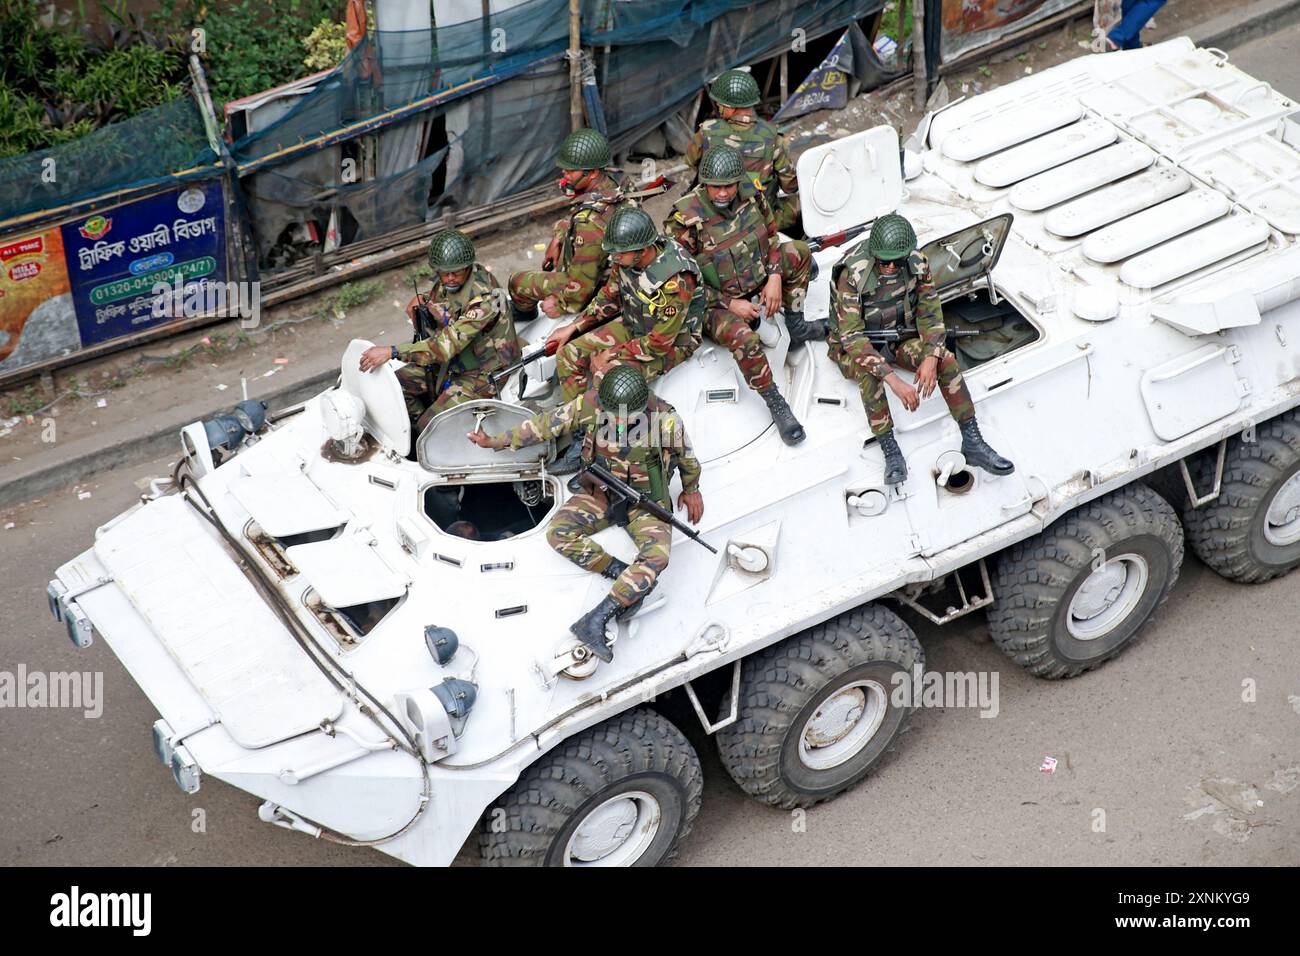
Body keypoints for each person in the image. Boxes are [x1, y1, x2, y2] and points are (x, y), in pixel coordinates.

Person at [467, 364, 703, 663]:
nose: (615, 419)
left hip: (645, 502)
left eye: (623, 415)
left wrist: (691, 489)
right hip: (602, 491)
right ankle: (620, 573)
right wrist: (495, 441)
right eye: (611, 412)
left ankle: (597, 618)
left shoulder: (666, 421)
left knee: (657, 557)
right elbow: (545, 425)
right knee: (558, 533)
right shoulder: (591, 404)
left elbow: (687, 458)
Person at [829, 212, 1014, 485]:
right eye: (884, 262)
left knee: (946, 359)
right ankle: (890, 450)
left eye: (896, 262)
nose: (891, 268)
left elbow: (930, 312)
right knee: (870, 375)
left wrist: (930, 355)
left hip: (899, 336)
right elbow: (852, 337)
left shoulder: (917, 262)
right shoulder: (853, 273)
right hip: (856, 347)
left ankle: (973, 441)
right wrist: (892, 379)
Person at [666, 145, 814, 445]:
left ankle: (796, 326)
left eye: (729, 186)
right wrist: (731, 304)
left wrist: (774, 275)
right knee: (744, 338)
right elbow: (681, 283)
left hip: (758, 279)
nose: (723, 193)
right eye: (716, 187)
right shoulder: (684, 220)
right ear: (703, 183)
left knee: (799, 253)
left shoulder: (752, 194)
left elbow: (772, 236)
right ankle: (775, 401)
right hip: (713, 303)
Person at [544, 206, 705, 471]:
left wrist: (611, 357)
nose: (614, 258)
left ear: (643, 250)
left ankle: (597, 458)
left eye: (620, 253)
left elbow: (659, 343)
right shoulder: (625, 260)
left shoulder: (676, 279)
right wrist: (574, 327)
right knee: (569, 354)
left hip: (672, 343)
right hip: (635, 323)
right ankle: (582, 437)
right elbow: (610, 296)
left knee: (609, 380)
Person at [360, 229, 522, 432]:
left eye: (456, 272)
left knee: (431, 427)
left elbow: (445, 346)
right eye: (444, 273)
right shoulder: (453, 281)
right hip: (455, 362)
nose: (450, 278)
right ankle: (413, 428)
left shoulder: (483, 299)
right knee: (391, 388)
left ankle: (423, 434)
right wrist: (425, 300)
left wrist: (392, 351)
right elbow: (447, 300)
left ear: (467, 267)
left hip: (483, 373)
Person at [507, 128, 633, 324]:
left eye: (570, 170)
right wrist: (558, 236)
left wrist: (560, 304)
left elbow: (582, 285)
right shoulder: (618, 182)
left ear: (591, 173)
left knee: (517, 282)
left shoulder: (588, 224)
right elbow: (586, 217)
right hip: (621, 266)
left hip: (604, 283)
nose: (564, 173)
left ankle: (524, 313)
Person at [685, 69, 801, 231]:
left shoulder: (706, 132)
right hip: (758, 218)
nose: (718, 108)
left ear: (731, 107)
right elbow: (790, 186)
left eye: (720, 105)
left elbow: (691, 162)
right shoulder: (772, 137)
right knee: (801, 201)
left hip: (714, 216)